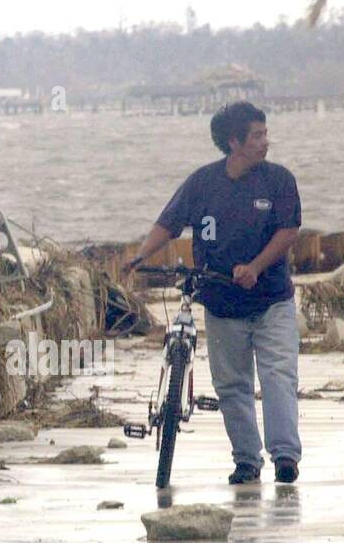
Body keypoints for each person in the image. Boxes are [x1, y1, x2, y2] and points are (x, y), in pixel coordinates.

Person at [127, 101, 302, 484]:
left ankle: (285, 455)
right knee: (232, 385)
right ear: (233, 141)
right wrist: (139, 257)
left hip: (272, 300)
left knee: (277, 376)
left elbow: (288, 232)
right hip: (221, 305)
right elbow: (169, 223)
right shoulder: (202, 183)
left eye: (265, 134)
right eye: (257, 136)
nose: (265, 142)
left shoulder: (279, 181)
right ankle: (246, 461)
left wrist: (255, 268)